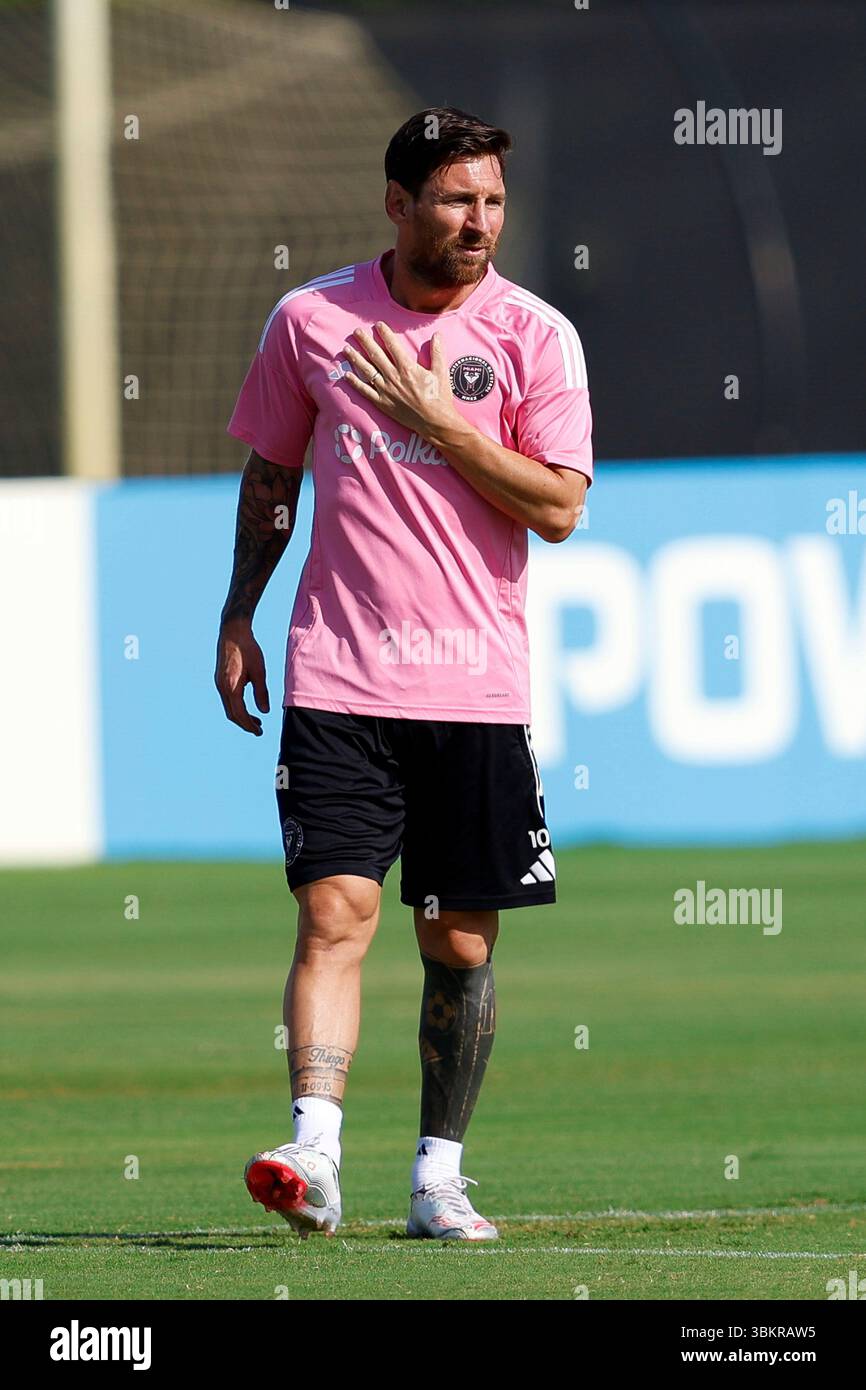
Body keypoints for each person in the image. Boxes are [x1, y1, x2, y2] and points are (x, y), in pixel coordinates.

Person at [214, 107, 593, 1241]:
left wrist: (442, 420)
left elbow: (561, 507)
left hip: (473, 687)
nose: (477, 223)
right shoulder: (311, 319)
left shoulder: (535, 335)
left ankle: (437, 1178)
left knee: (458, 942)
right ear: (396, 202)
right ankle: (313, 1153)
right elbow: (272, 471)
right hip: (338, 676)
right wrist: (239, 610)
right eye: (452, 200)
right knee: (333, 913)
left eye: (490, 202)